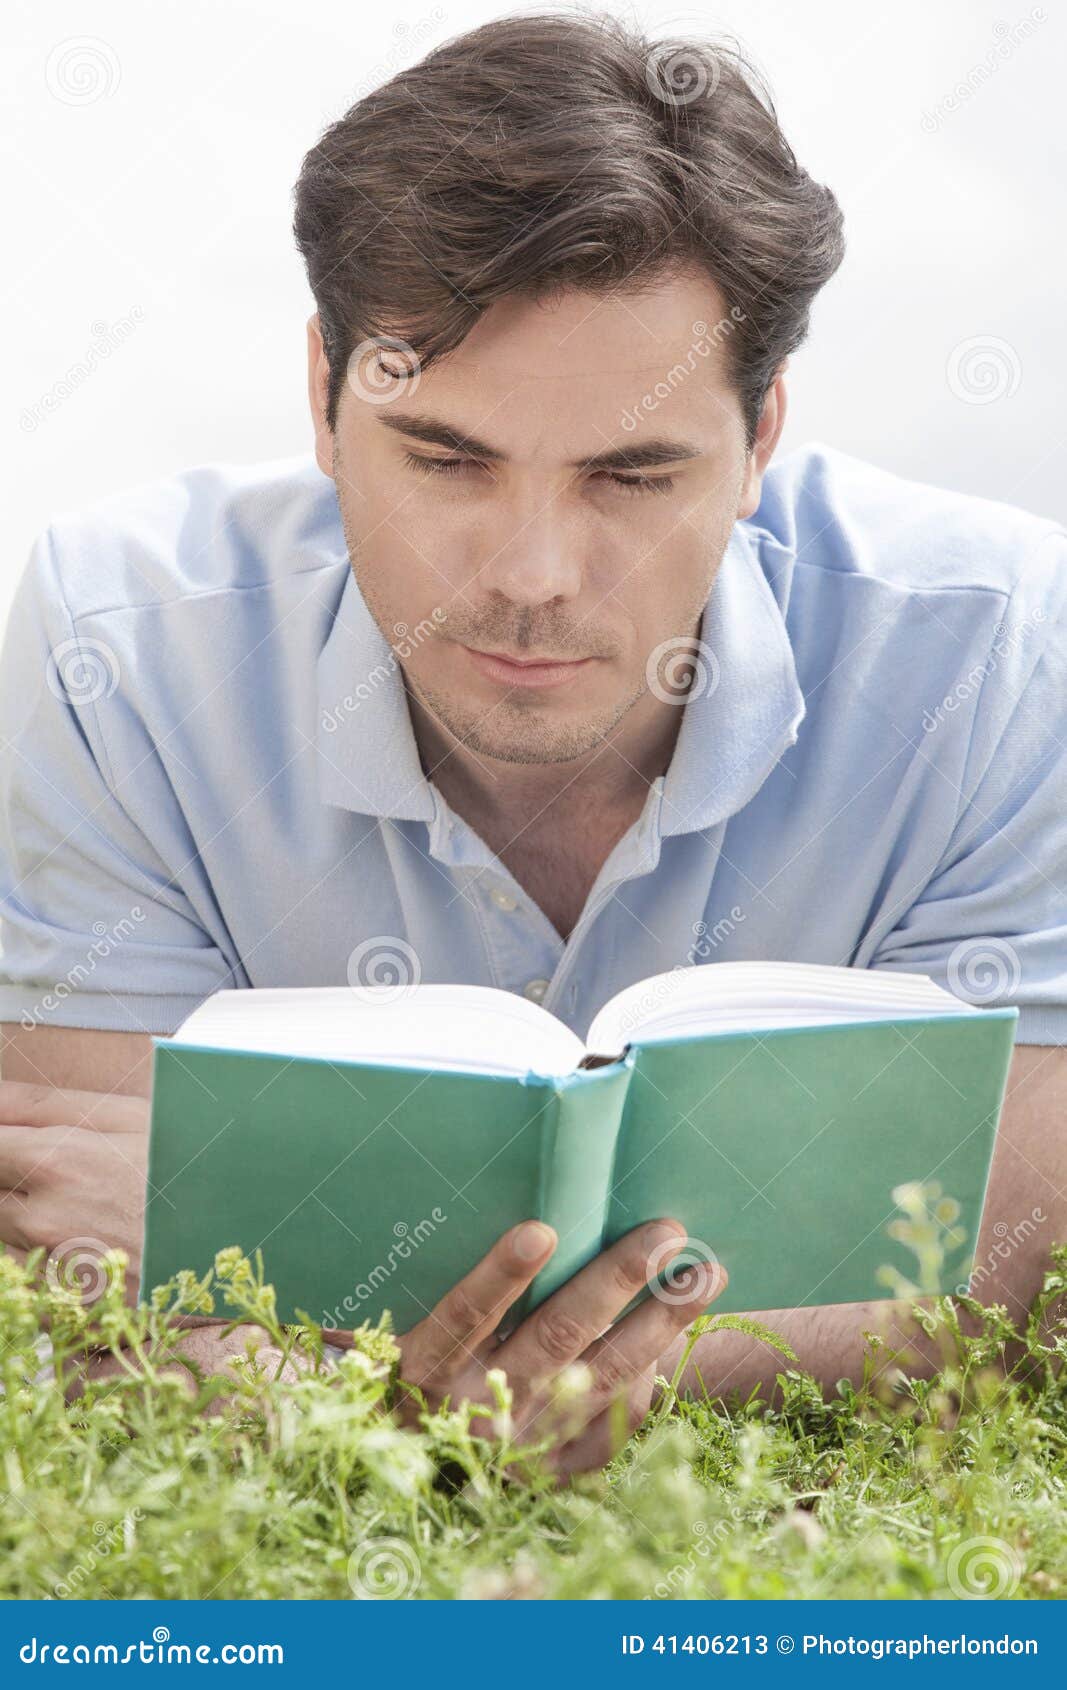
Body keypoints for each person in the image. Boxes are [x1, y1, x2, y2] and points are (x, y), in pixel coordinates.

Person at [2, 12, 1065, 1476]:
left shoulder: (997, 650)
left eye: (632, 472)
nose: (534, 574)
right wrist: (720, 1341)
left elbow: (1017, 1271)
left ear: (762, 437)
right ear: (323, 397)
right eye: (446, 458)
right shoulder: (112, 643)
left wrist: (353, 1347)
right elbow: (74, 1233)